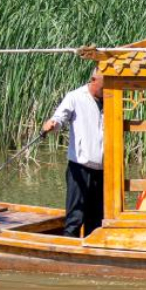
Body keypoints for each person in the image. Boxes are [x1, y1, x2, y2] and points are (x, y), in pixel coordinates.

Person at [43, 70, 104, 237]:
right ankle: (68, 253)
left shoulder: (112, 98)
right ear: (93, 80)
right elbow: (60, 117)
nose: (107, 89)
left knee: (97, 220)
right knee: (75, 217)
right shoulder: (75, 97)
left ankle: (92, 256)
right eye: (104, 85)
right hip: (80, 167)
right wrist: (52, 124)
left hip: (103, 170)